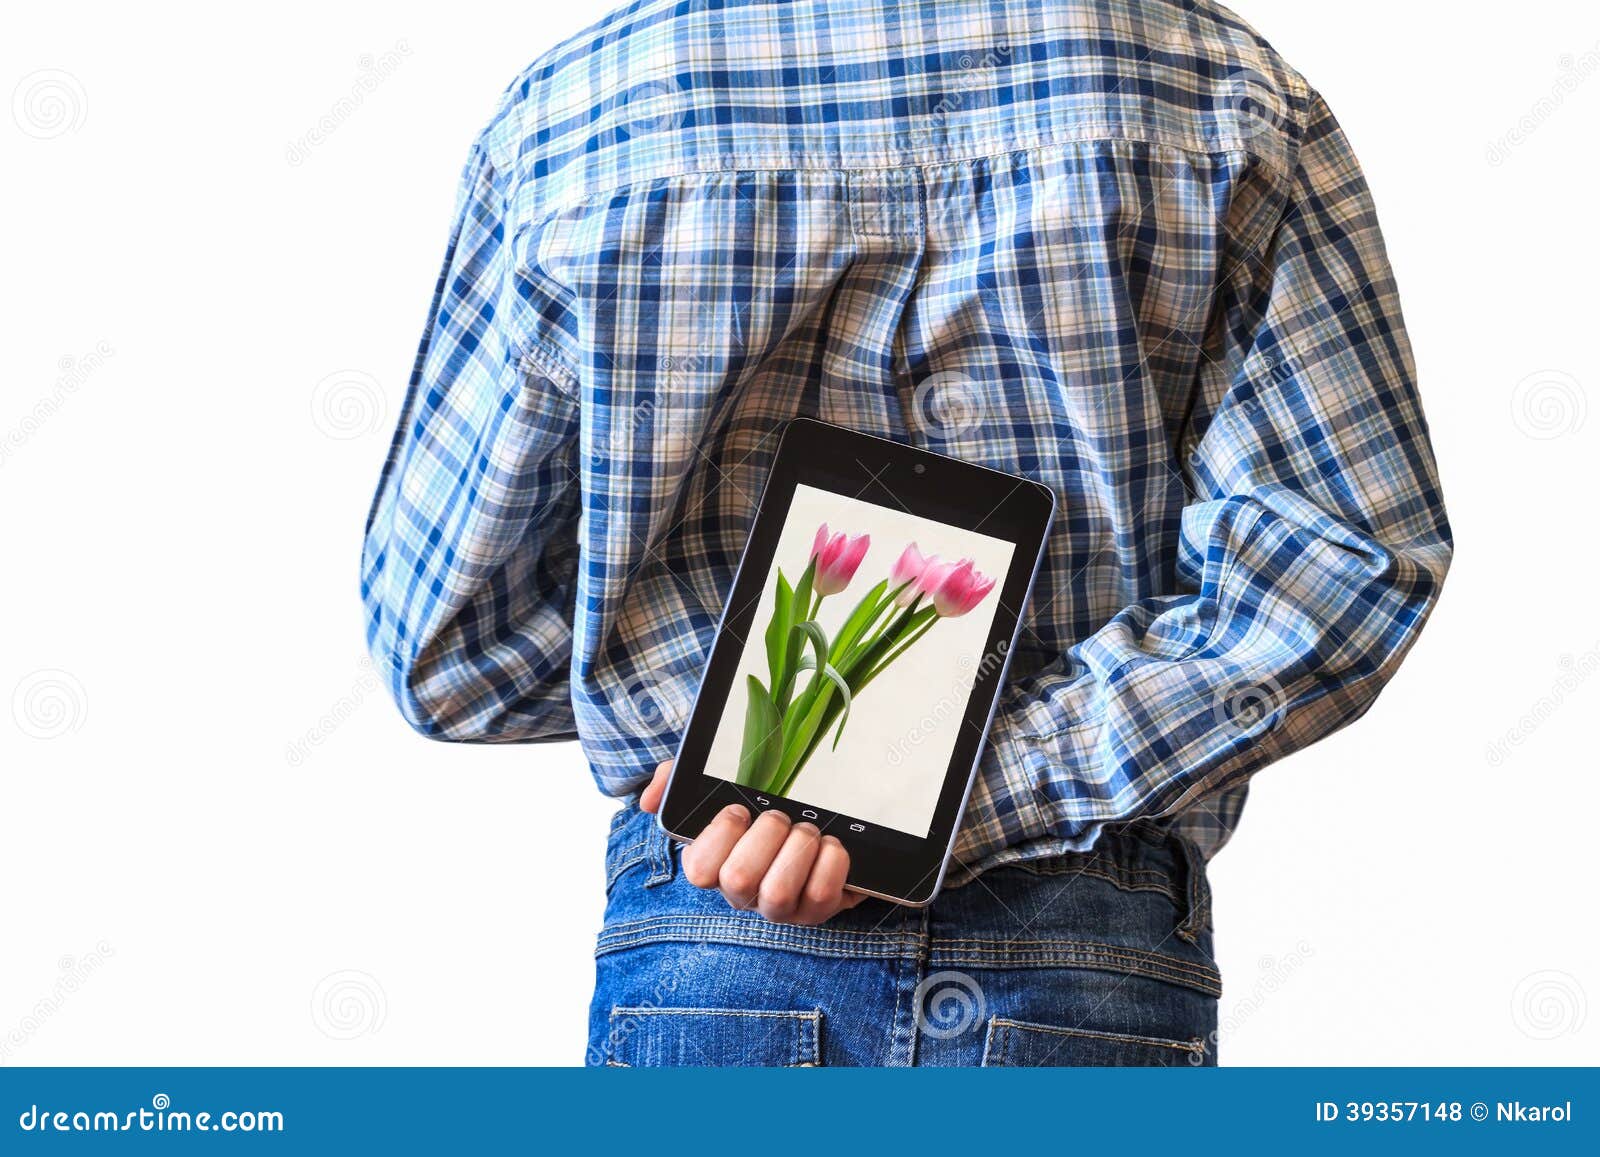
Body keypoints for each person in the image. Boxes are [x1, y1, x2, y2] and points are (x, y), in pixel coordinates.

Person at [361, 0, 1452, 1066]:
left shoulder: (574, 120)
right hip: (1084, 936)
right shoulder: (1230, 99)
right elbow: (1340, 568)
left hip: (716, 914)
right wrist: (989, 784)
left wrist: (744, 744)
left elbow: (450, 651)